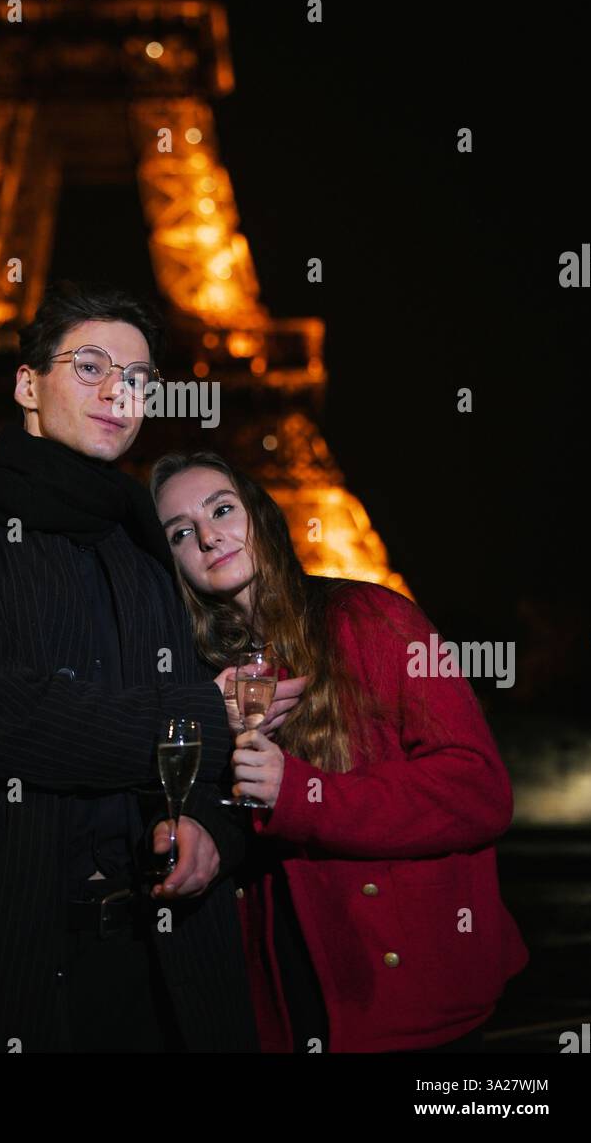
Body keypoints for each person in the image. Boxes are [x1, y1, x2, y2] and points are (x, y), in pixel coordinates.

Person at [0, 281, 304, 1053]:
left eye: (136, 379)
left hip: (167, 974)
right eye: (91, 366)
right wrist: (205, 712)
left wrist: (208, 829)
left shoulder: (149, 547)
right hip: (11, 964)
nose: (118, 392)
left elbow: (234, 778)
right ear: (28, 384)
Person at [150, 449, 530, 1054]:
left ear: (263, 516)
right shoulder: (198, 675)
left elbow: (479, 789)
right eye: (179, 533)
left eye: (222, 509)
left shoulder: (376, 619)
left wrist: (301, 793)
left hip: (400, 991)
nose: (207, 536)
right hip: (284, 988)